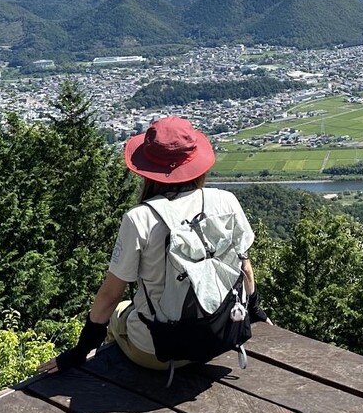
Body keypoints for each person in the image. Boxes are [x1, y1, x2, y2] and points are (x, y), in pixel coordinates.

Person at [39, 115, 269, 374]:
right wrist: (256, 312)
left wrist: (79, 351)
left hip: (158, 351)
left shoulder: (140, 218)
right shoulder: (226, 201)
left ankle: (118, 381)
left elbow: (110, 295)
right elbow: (245, 269)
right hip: (221, 335)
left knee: (121, 314)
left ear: (147, 170)